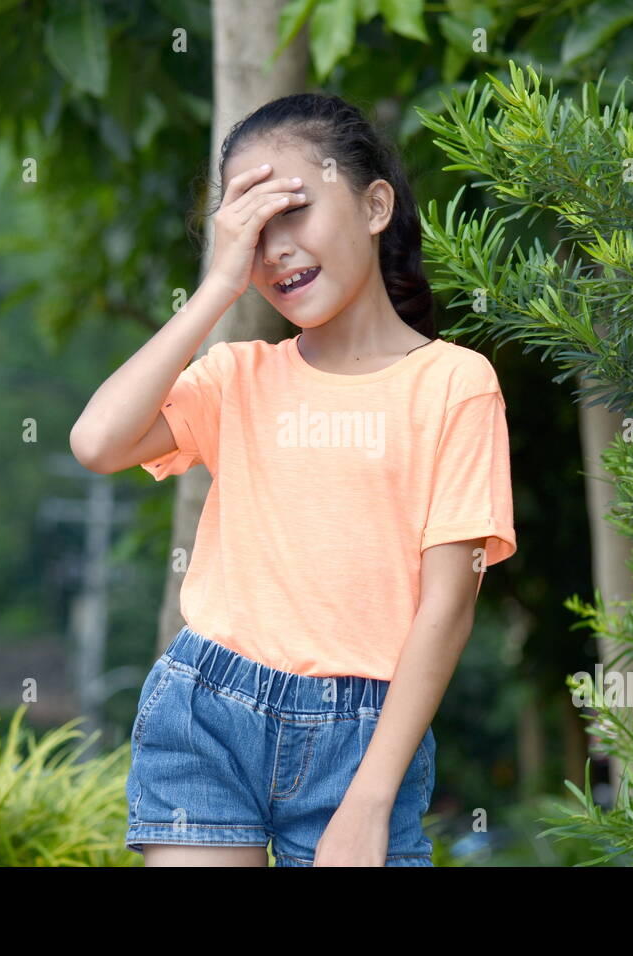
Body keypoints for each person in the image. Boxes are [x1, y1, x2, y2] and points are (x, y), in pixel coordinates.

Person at [69, 92, 516, 867]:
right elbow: (97, 442)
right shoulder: (236, 375)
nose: (273, 249)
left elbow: (447, 608)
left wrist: (370, 801)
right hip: (207, 713)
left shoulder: (455, 384)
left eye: (293, 211)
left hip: (366, 742)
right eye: (251, 227)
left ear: (376, 204)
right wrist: (216, 288)